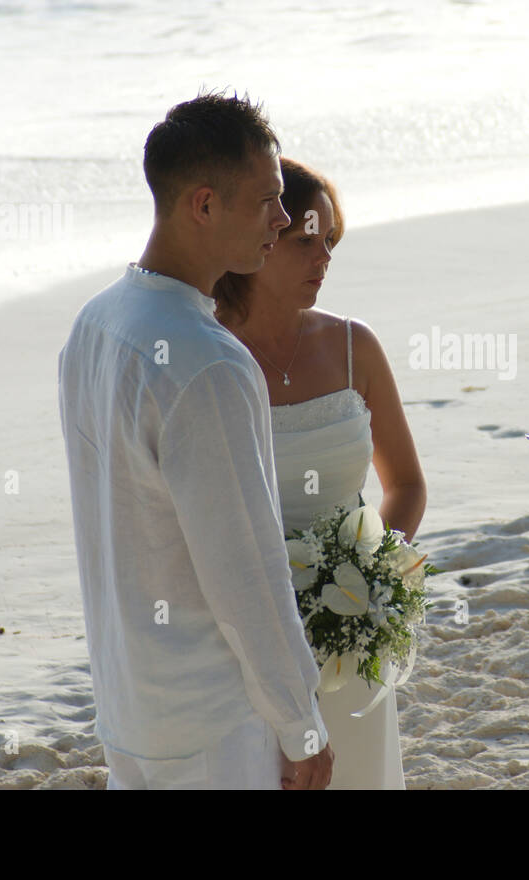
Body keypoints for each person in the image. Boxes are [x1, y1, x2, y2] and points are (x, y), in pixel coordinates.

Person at [57, 91, 334, 789]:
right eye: (268, 200)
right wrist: (302, 727)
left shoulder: (95, 323)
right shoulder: (206, 360)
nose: (283, 217)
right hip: (212, 724)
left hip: (130, 707)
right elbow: (245, 574)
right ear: (204, 205)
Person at [213, 157, 427, 789]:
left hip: (351, 638)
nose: (323, 257)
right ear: (259, 237)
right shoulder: (209, 355)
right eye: (306, 240)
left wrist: (371, 582)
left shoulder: (354, 346)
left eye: (329, 241)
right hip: (241, 642)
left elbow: (407, 486)